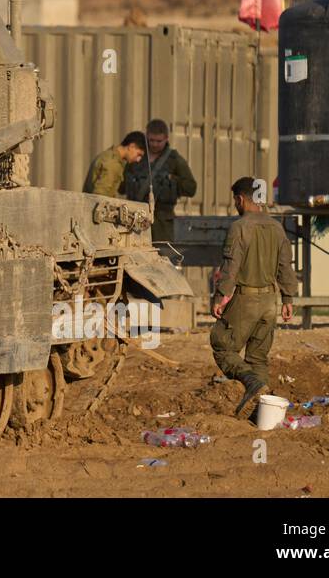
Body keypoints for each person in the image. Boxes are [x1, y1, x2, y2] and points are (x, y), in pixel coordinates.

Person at [210, 176, 298, 417]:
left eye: (235, 201)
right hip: (271, 300)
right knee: (258, 357)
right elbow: (285, 267)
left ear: (240, 199)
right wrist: (288, 299)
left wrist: (221, 296)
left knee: (222, 345)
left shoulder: (239, 227)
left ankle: (251, 383)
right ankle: (262, 415)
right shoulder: (276, 227)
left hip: (246, 299)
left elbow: (231, 267)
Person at [123, 118, 197, 242]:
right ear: (147, 136)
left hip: (162, 221)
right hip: (136, 218)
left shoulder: (174, 159)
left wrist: (172, 180)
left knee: (162, 252)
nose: (155, 144)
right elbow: (122, 184)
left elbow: (191, 188)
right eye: (151, 140)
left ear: (167, 138)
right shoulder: (138, 156)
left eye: (159, 141)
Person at [83, 131, 146, 197]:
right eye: (139, 154)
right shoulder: (113, 163)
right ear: (131, 146)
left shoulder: (108, 156)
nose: (138, 159)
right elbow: (100, 196)